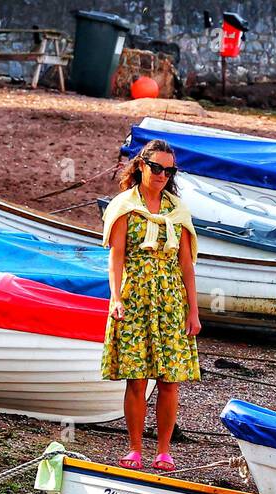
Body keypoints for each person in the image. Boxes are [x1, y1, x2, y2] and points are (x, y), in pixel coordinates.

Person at [100, 139, 201, 471]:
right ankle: (134, 447)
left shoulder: (177, 211)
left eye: (168, 170)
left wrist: (193, 309)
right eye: (156, 167)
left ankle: (164, 450)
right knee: (137, 377)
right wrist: (115, 297)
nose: (161, 175)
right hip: (136, 296)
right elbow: (116, 259)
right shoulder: (125, 206)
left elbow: (186, 264)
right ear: (141, 165)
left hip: (171, 299)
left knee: (170, 379)